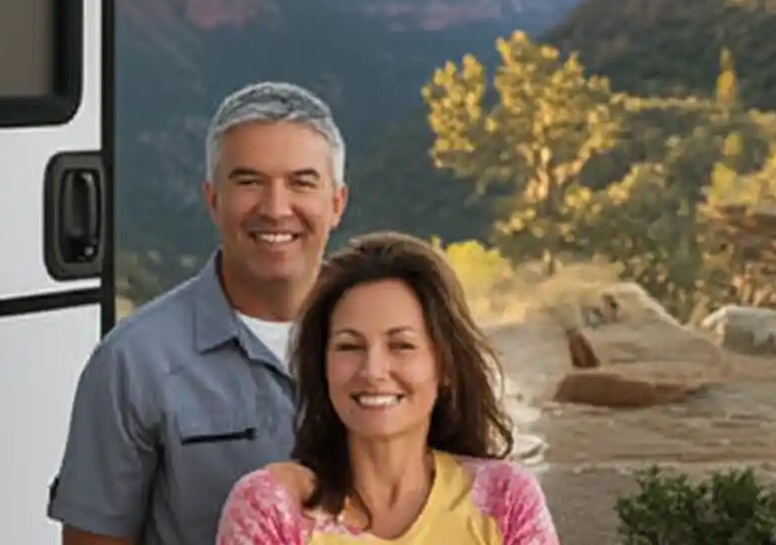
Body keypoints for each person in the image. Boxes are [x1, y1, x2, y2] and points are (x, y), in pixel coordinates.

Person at [48, 82, 350, 545]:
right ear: (213, 200)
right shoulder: (133, 364)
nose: (275, 208)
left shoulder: (396, 349)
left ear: (336, 203)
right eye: (248, 181)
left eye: (301, 182)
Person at [215, 232, 559, 544]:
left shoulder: (505, 500)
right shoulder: (272, 508)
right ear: (322, 366)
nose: (373, 371)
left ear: (445, 366)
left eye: (401, 346)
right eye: (349, 347)